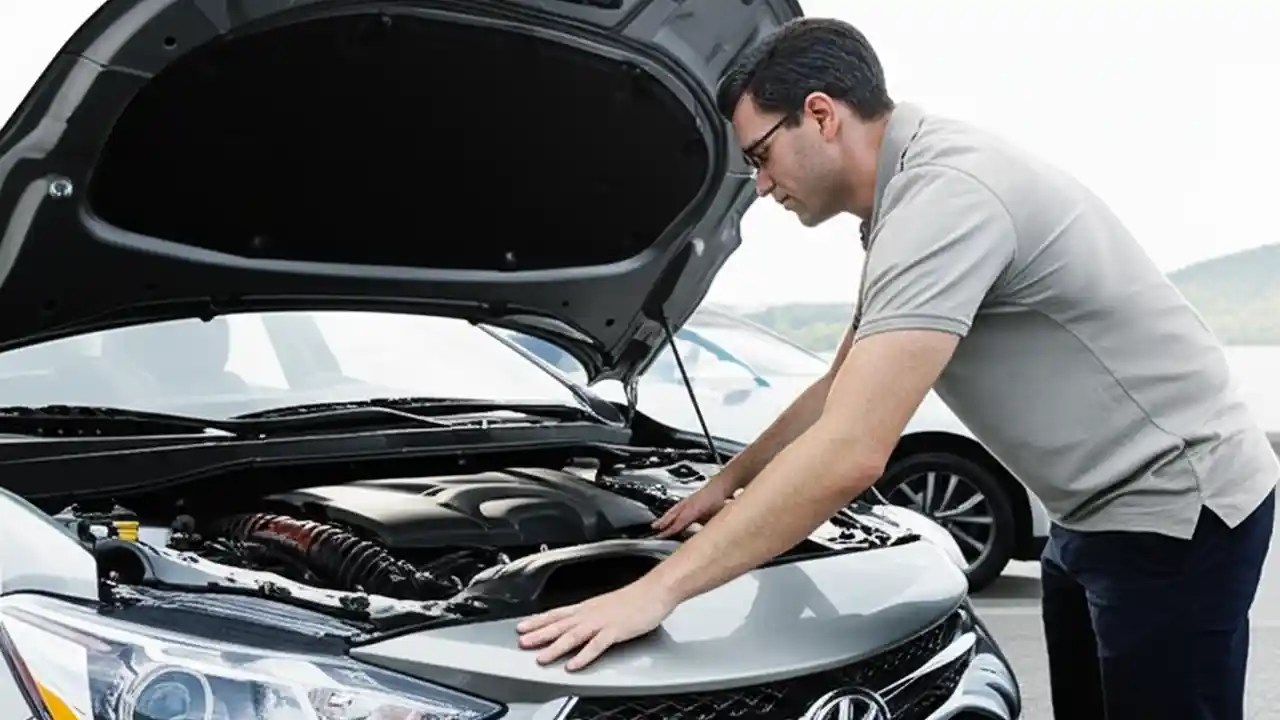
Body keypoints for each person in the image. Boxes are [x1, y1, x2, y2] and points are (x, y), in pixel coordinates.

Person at [516, 16, 1278, 719]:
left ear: (820, 114)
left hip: (1176, 509)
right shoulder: (904, 200)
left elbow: (851, 451)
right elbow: (839, 386)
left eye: (761, 155)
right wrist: (725, 484)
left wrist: (654, 595)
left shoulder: (947, 198)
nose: (763, 184)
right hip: (1088, 513)